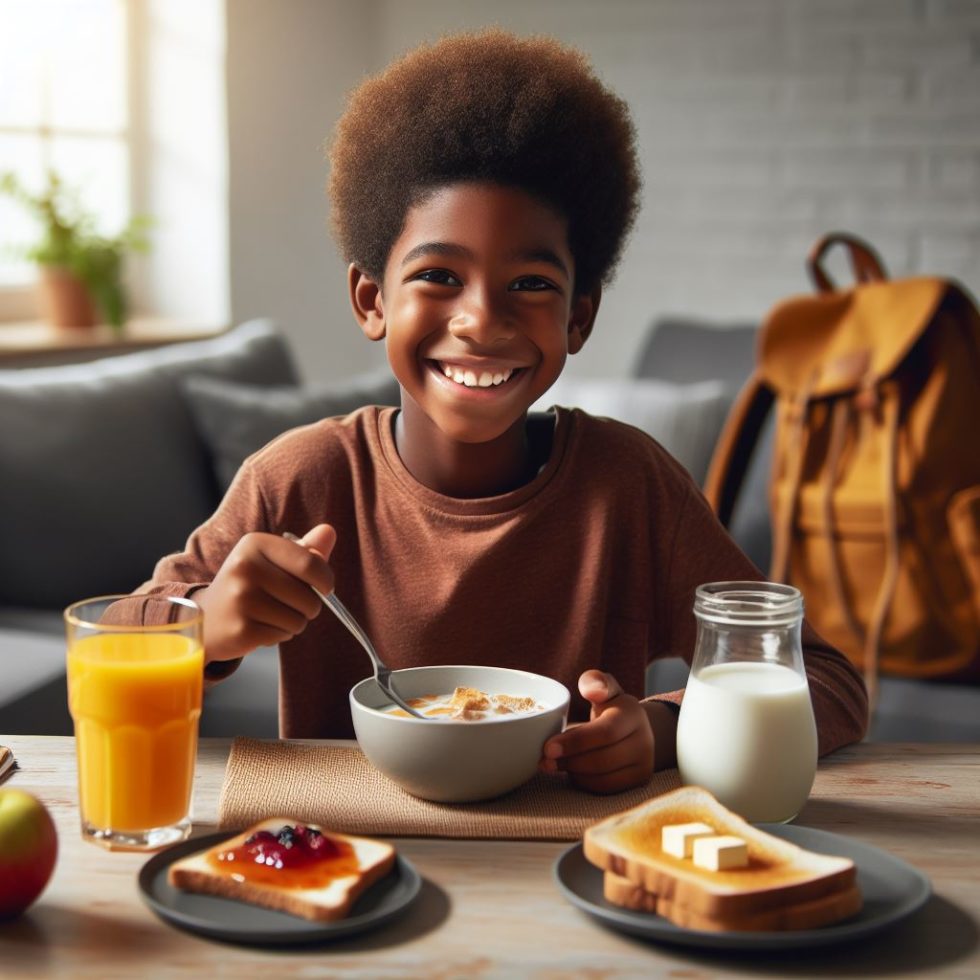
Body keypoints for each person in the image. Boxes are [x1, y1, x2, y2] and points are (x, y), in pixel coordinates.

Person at [142, 29, 868, 793]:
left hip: (571, 858)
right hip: (347, 853)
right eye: (439, 276)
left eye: (530, 285)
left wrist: (663, 729)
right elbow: (117, 642)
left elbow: (829, 683)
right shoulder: (302, 478)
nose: (482, 321)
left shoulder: (630, 486)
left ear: (579, 316)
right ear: (372, 300)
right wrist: (207, 626)